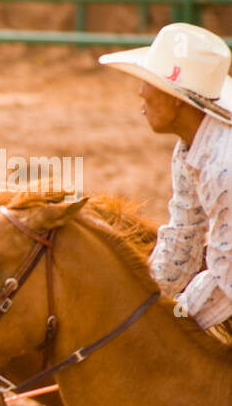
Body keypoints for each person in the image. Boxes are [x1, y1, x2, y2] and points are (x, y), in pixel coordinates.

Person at [99, 23, 232, 334]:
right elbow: (183, 236)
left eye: (150, 83)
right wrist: (144, 304)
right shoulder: (189, 148)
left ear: (177, 100)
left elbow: (227, 279)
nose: (141, 92)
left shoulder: (221, 166)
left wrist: (172, 318)